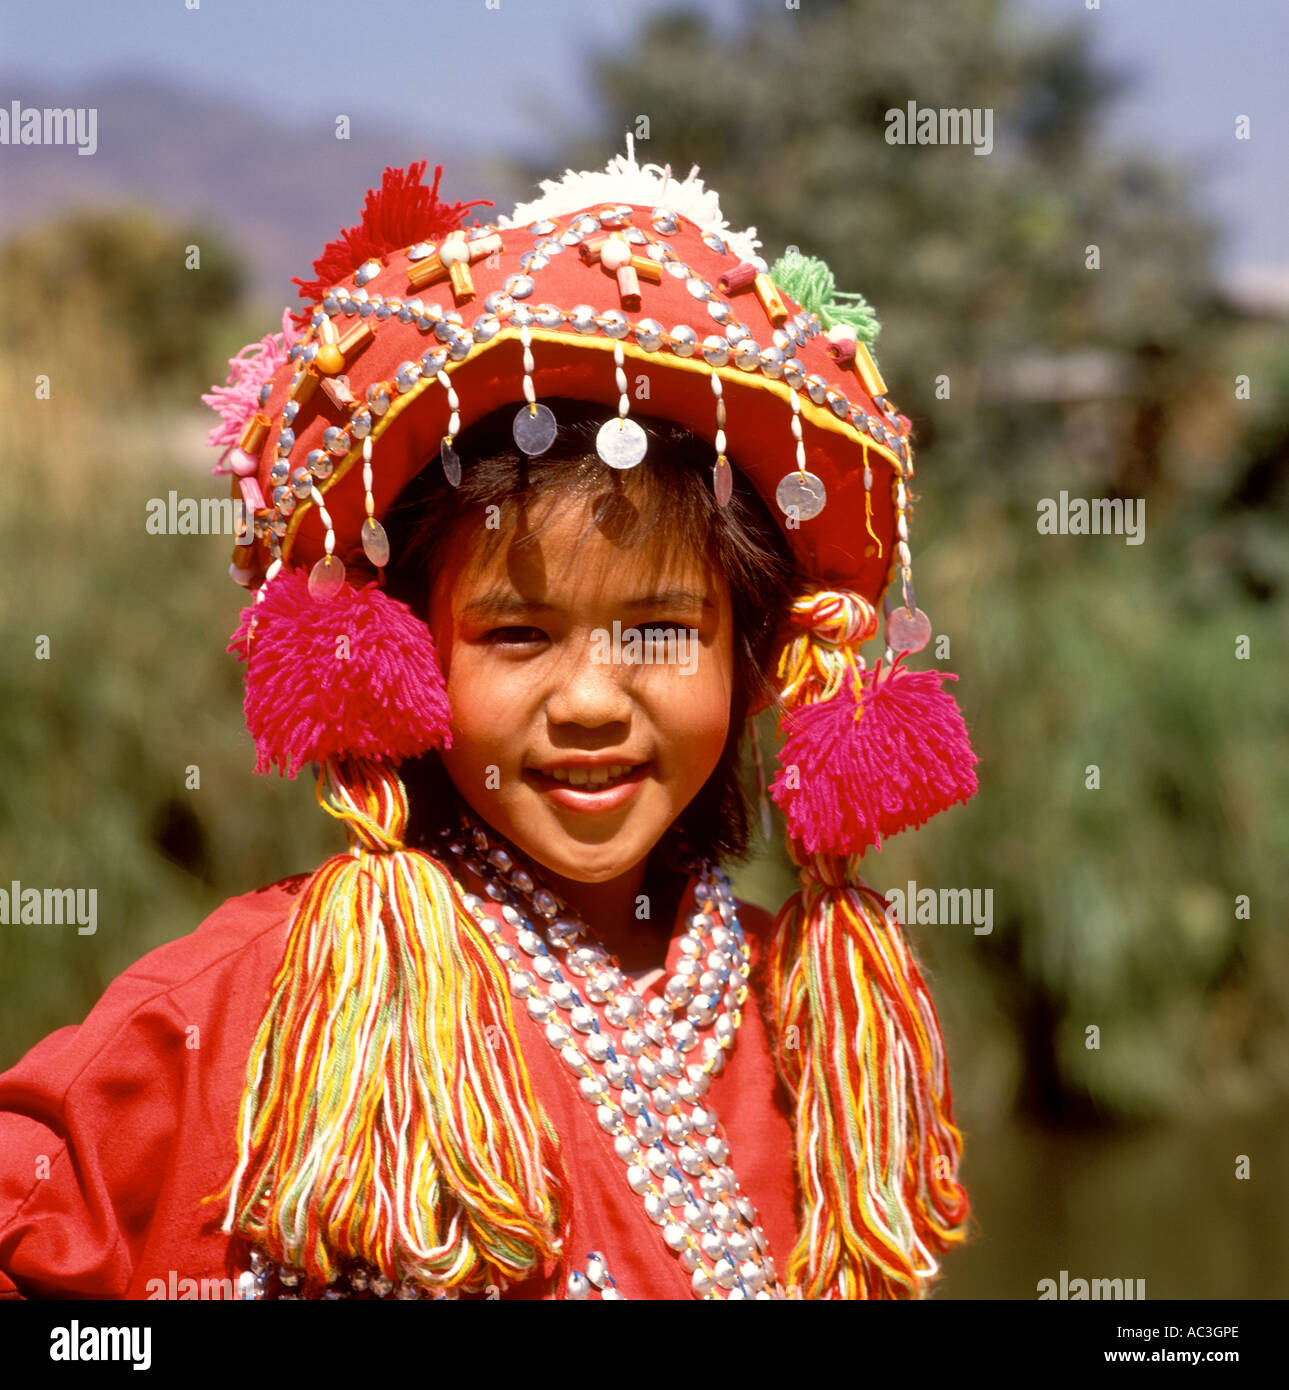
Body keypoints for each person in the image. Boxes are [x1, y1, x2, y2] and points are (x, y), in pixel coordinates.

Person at [0, 139, 978, 1301]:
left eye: (661, 632)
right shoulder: (233, 1015)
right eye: (516, 636)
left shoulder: (824, 1033)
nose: (589, 703)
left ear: (755, 660)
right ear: (407, 651)